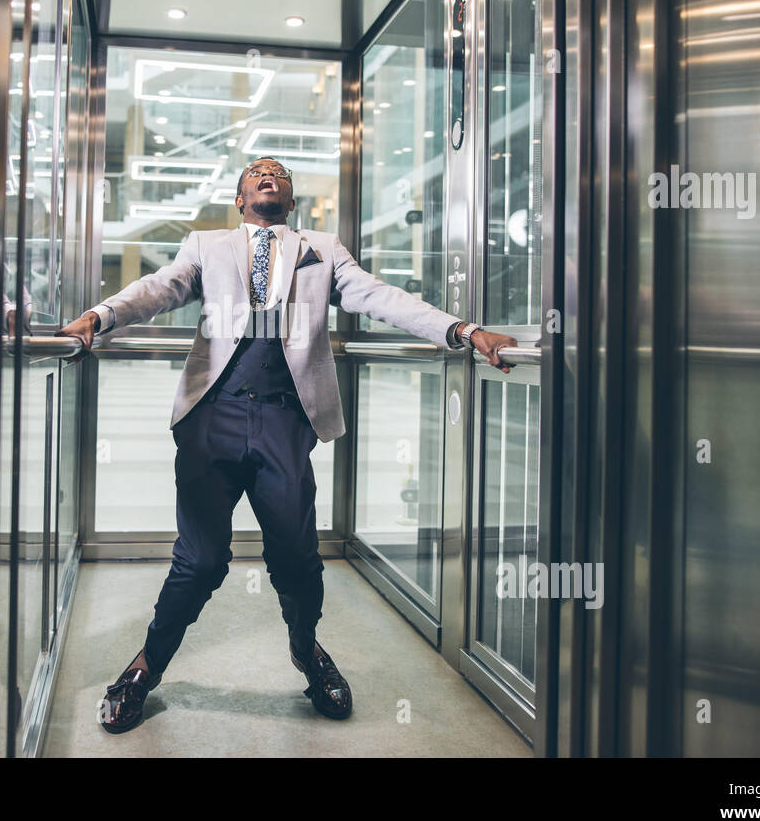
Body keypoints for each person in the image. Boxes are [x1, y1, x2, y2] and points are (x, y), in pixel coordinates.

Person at [57, 156, 518, 734]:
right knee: (199, 562)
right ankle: (145, 669)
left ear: (292, 199)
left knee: (298, 559)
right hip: (212, 420)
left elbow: (380, 296)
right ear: (240, 197)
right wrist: (98, 317)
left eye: (278, 172)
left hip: (284, 423)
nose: (268, 174)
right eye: (256, 171)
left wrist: (464, 330)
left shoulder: (322, 247)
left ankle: (308, 652)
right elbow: (158, 289)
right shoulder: (206, 244)